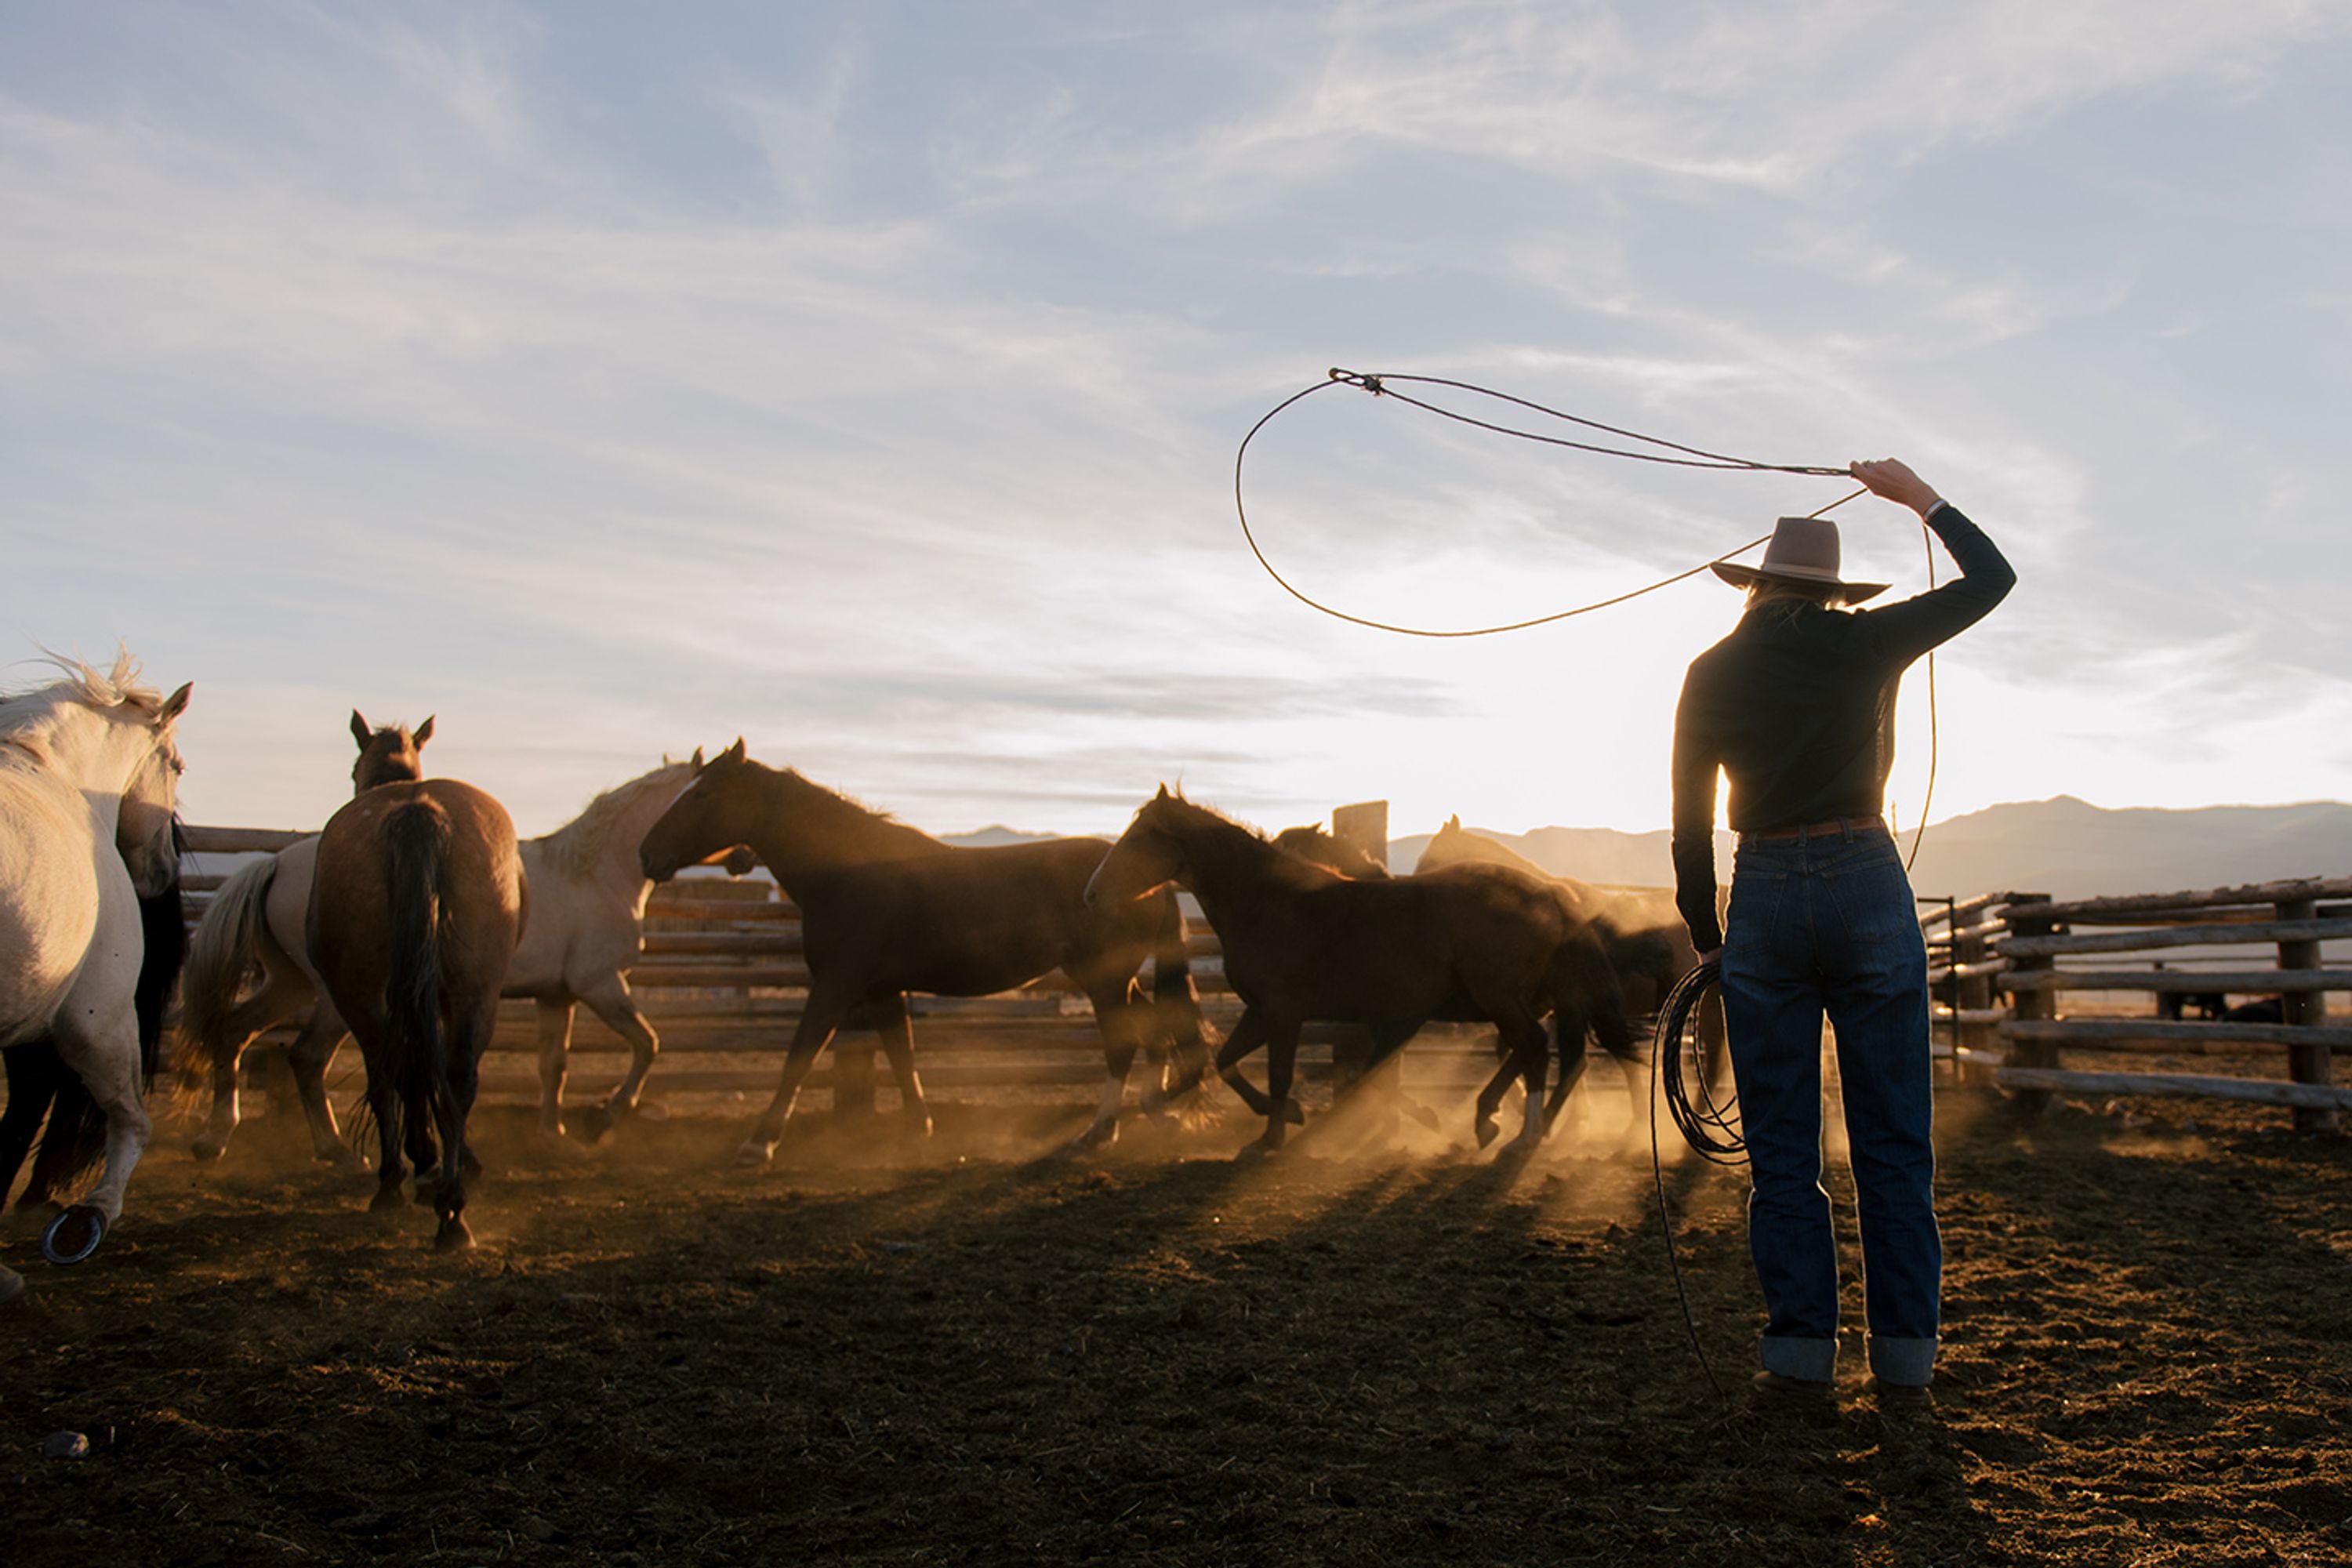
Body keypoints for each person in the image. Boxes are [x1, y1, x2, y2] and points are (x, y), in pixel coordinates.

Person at [1669, 458, 2015, 1399]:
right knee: (1894, 1141)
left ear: (1757, 585)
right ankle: (1904, 1360)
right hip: (1864, 873)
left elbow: (1689, 821)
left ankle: (1798, 1355)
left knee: (1781, 1149)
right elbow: (1994, 578)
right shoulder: (1870, 640)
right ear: (1830, 590)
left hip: (1764, 888)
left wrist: (1708, 932)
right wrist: (1920, 497)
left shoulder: (1710, 670)